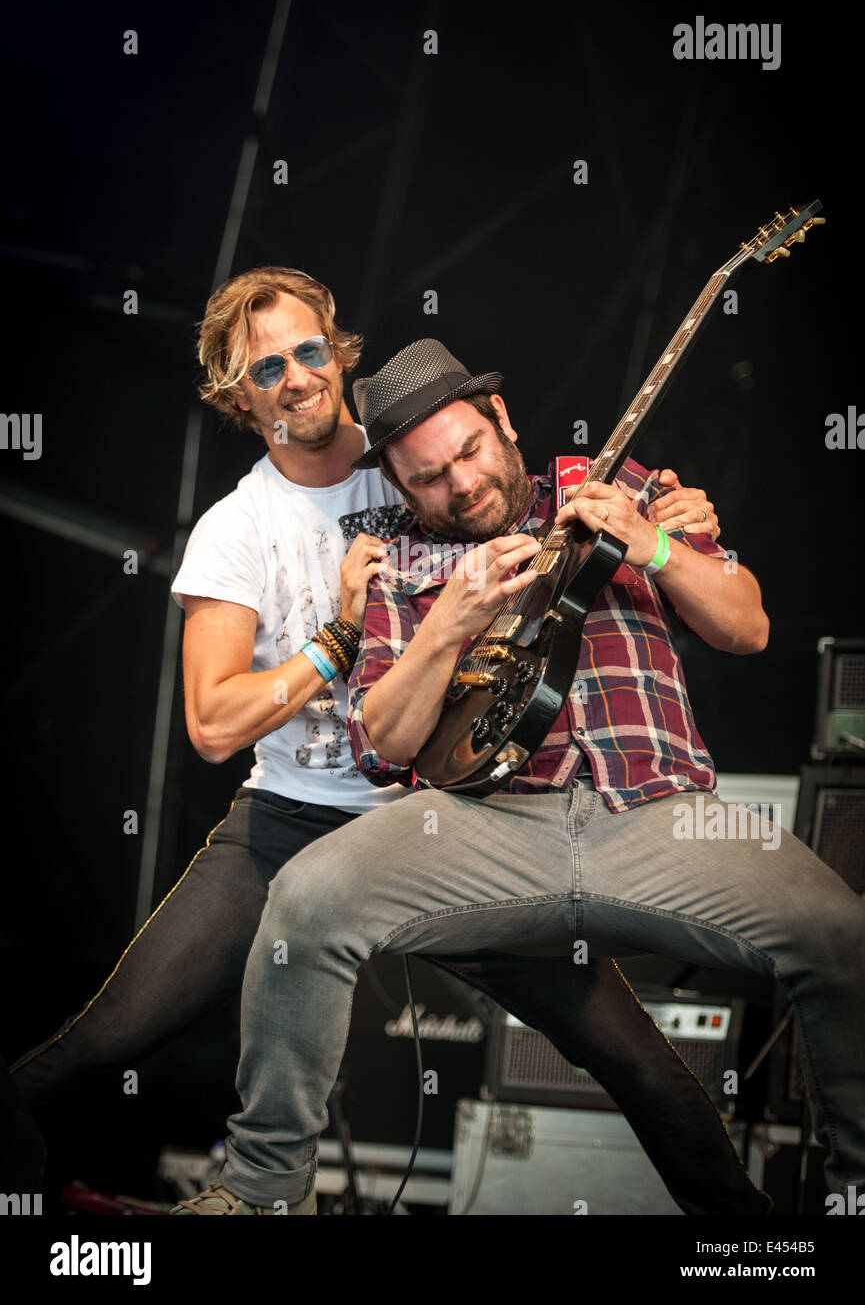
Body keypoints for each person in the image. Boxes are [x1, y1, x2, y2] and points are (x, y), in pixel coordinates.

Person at [9, 271, 756, 1216]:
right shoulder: (237, 531)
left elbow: (548, 494)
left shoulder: (421, 442)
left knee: (635, 1061)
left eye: (309, 351)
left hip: (460, 823)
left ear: (338, 351)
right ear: (236, 393)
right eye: (265, 366)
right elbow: (211, 722)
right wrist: (339, 640)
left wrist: (669, 522)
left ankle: (759, 1243)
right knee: (104, 1037)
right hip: (295, 824)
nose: (296, 378)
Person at [170, 338, 865, 1219]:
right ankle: (265, 1193)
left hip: (658, 810)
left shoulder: (619, 484)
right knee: (307, 901)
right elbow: (382, 745)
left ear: (500, 420)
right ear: (397, 482)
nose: (460, 485)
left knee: (842, 933)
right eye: (428, 479)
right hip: (481, 827)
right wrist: (446, 624)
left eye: (468, 452)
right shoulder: (394, 559)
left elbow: (746, 627)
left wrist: (652, 544)